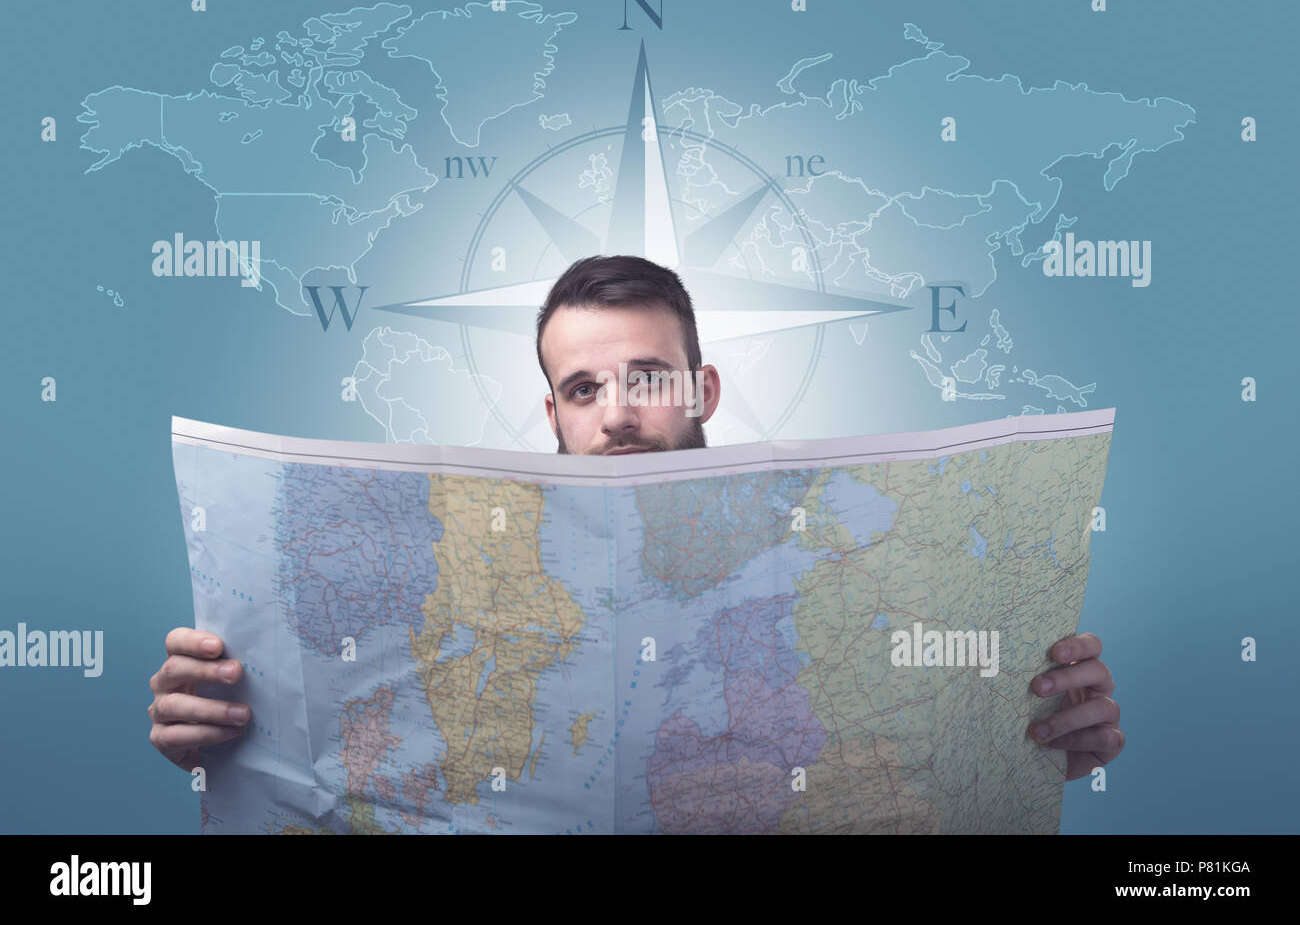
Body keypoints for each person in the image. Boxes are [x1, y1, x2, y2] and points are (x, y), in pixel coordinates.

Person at [149, 254, 1124, 783]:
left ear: (703, 389)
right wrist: (226, 737)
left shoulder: (849, 559)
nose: (615, 413)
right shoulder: (459, 586)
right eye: (583, 388)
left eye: (647, 378)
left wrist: (1032, 739)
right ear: (553, 414)